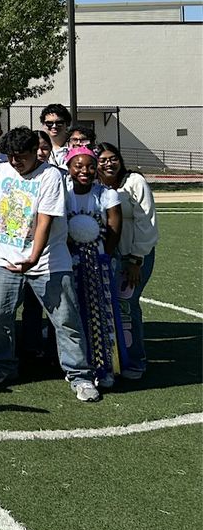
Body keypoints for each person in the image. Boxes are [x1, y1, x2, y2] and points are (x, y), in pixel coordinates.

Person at [0, 127, 98, 401]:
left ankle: (80, 376)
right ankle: (3, 365)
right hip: (5, 260)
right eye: (12, 156)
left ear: (35, 153)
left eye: (22, 157)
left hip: (49, 262)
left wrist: (33, 257)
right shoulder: (3, 171)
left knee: (65, 321)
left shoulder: (50, 175)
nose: (16, 162)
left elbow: (44, 221)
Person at [96, 142, 158, 380]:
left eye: (113, 158)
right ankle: (114, 359)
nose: (108, 164)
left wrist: (136, 259)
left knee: (127, 306)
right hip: (108, 255)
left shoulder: (135, 182)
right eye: (102, 160)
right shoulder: (95, 186)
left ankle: (135, 360)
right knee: (107, 308)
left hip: (133, 256)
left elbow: (147, 222)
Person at [63, 146, 122, 388]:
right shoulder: (63, 193)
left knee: (100, 315)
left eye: (89, 165)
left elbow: (114, 227)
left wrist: (103, 256)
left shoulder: (106, 194)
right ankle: (77, 366)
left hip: (98, 264)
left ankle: (104, 367)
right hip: (67, 262)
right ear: (69, 168)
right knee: (71, 315)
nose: (84, 171)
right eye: (78, 166)